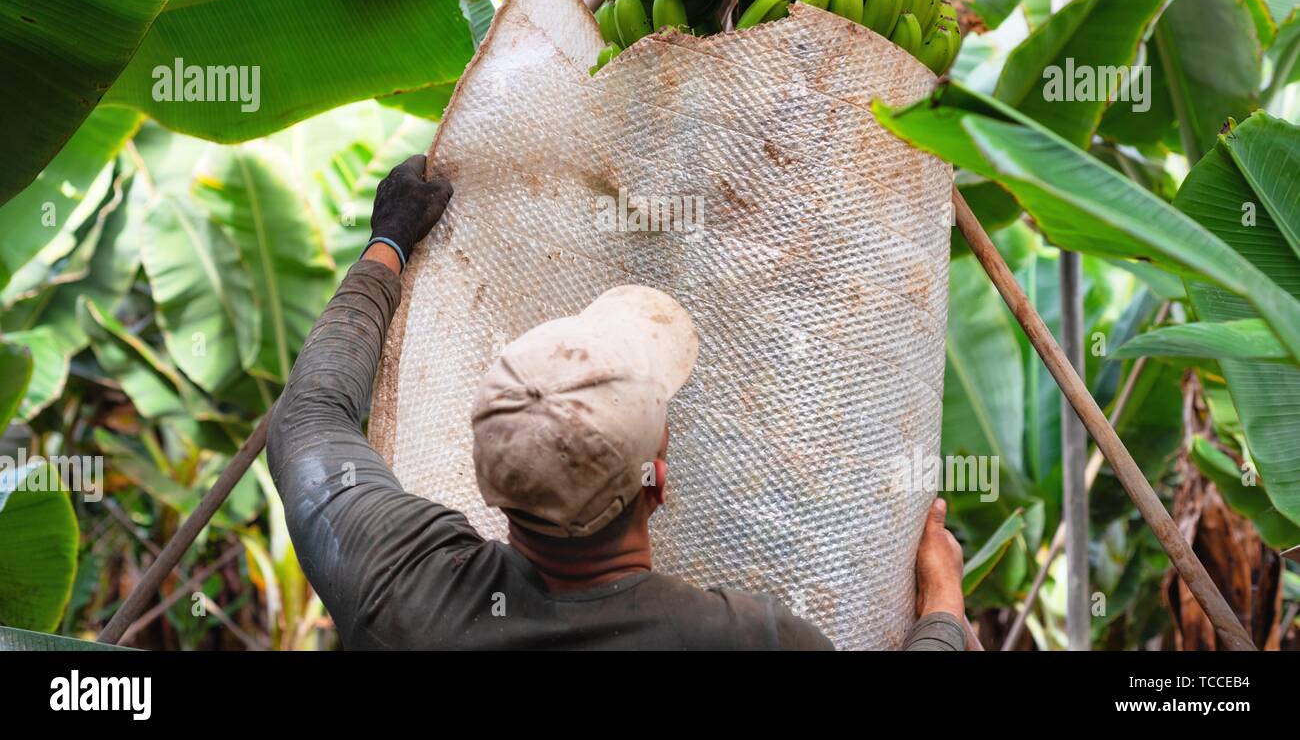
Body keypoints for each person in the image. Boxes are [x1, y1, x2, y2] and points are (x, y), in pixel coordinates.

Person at [268, 155, 968, 650]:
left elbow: (310, 416)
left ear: (493, 479)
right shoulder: (751, 638)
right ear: (655, 484)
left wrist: (389, 238)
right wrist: (942, 604)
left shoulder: (400, 587)